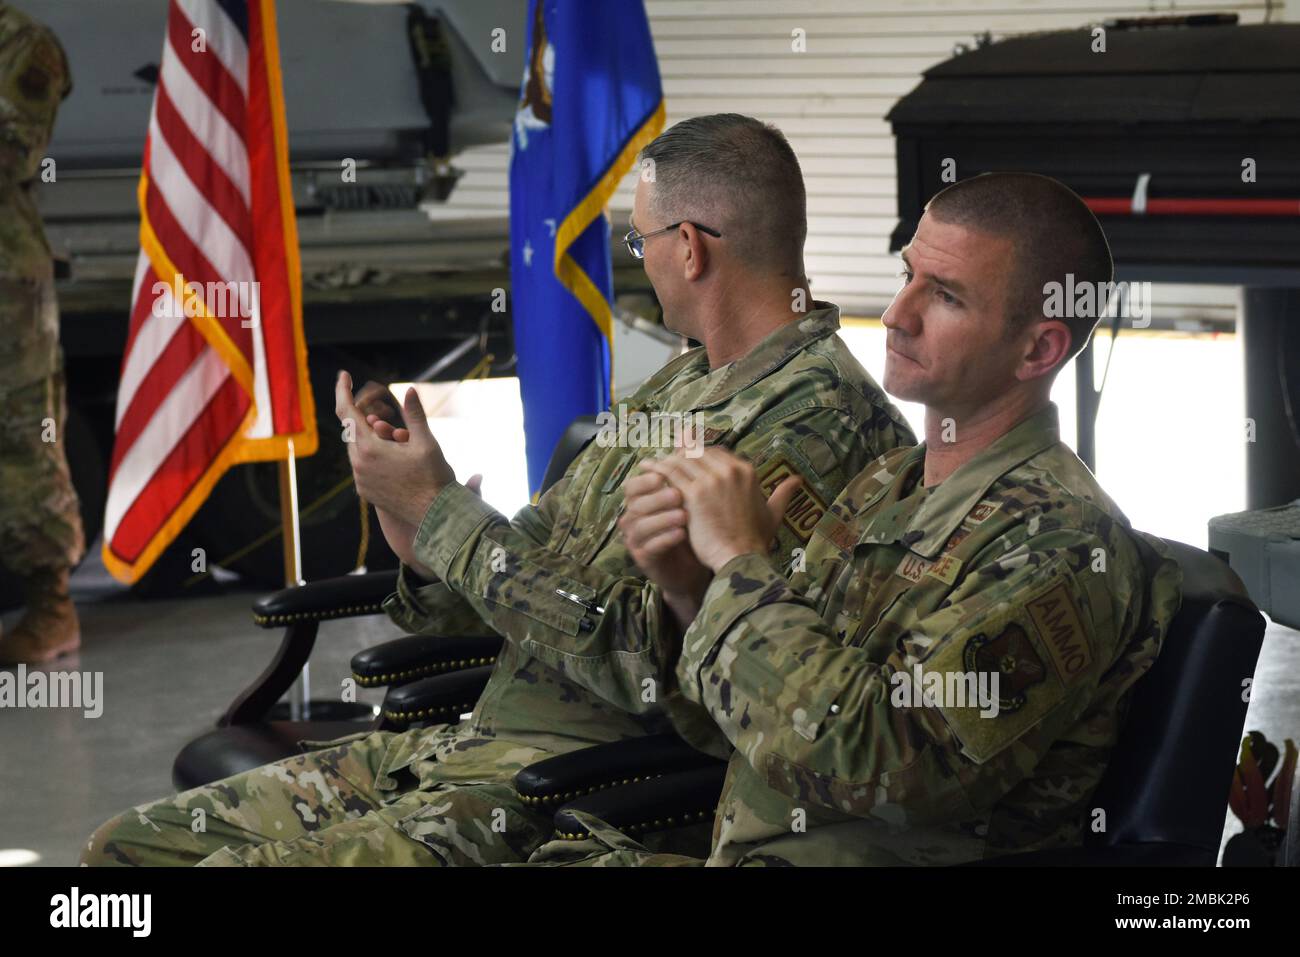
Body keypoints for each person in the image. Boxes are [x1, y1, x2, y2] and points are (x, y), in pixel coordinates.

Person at [81, 114, 914, 866]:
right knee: (124, 849)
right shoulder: (685, 385)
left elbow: (647, 660)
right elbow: (530, 574)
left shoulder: (818, 421)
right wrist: (420, 535)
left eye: (640, 242)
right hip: (465, 746)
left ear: (690, 248)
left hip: (570, 796)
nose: (643, 260)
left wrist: (441, 510)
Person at [519, 172, 1184, 867]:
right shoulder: (884, 486)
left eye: (946, 296)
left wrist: (742, 566)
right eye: (908, 276)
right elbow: (761, 726)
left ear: (1038, 349)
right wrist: (694, 590)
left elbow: (884, 765)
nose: (898, 313)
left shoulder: (1060, 542)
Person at [0, 2, 83, 665]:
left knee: (24, 434)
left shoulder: (25, 42)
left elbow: (14, 147)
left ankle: (50, 608)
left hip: (6, 285)